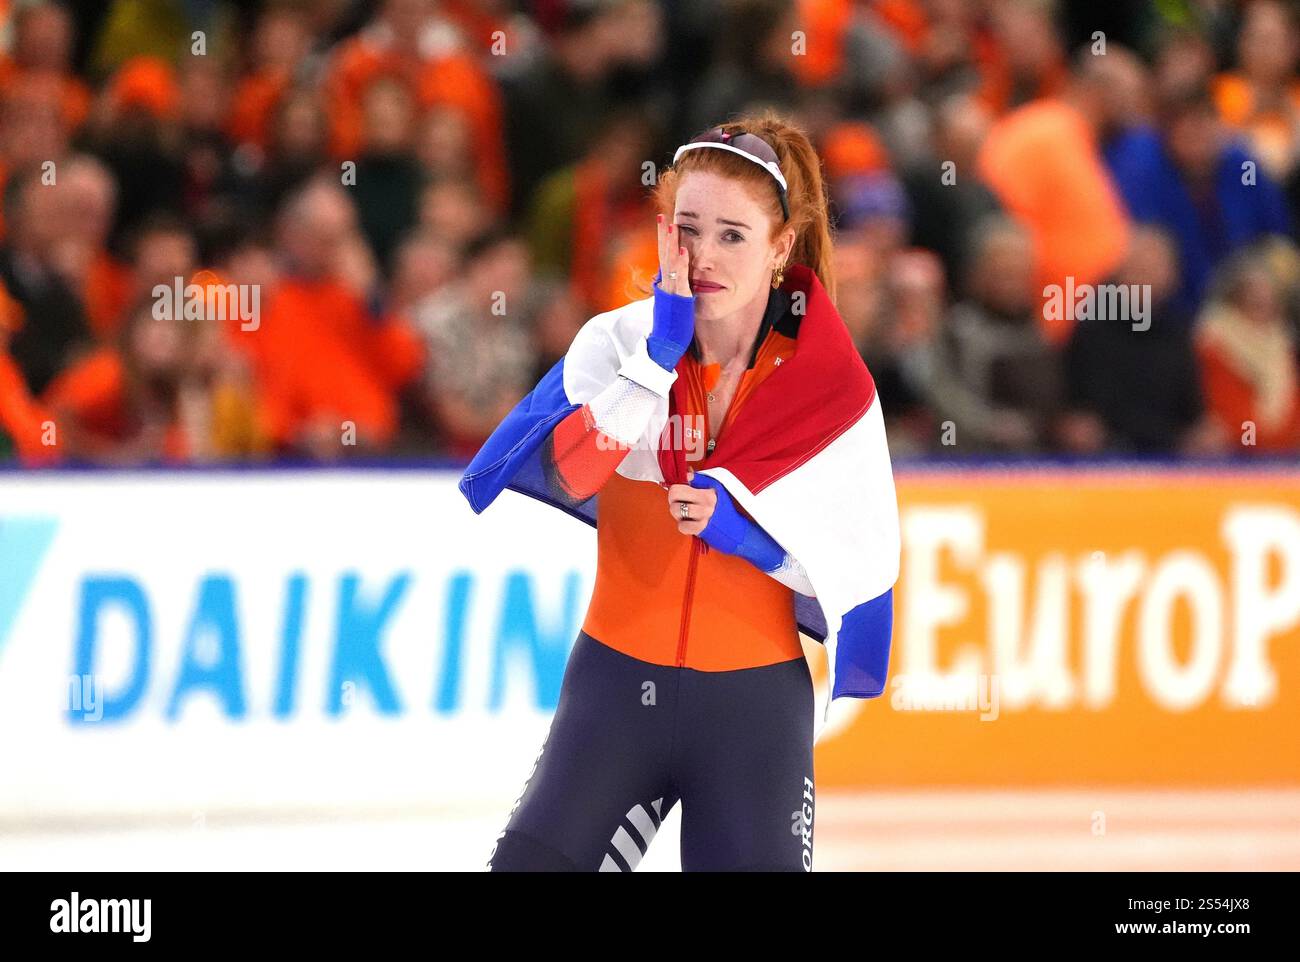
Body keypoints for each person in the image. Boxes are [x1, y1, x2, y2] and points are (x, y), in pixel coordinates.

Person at [459, 114, 900, 872]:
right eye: (689, 230)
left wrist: (754, 540)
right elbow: (571, 469)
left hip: (752, 715)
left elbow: (857, 573)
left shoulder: (835, 389)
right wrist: (658, 360)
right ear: (664, 233)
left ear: (781, 247)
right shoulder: (616, 344)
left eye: (734, 235)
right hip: (614, 691)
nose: (704, 257)